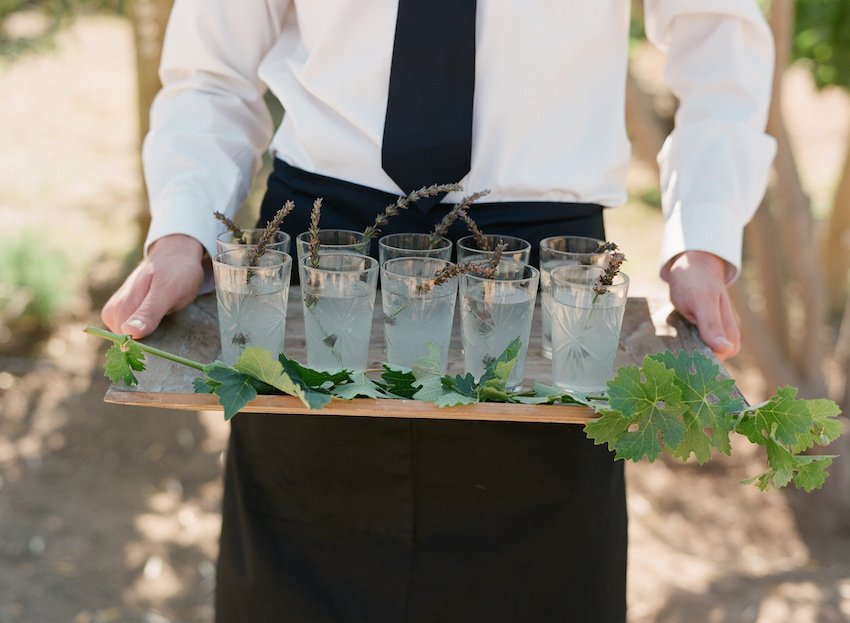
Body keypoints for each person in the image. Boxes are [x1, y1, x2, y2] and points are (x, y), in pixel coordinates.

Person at [102, 1, 776, 621]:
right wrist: (183, 229)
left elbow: (718, 32)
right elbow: (210, 70)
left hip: (547, 275)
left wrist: (706, 239)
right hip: (323, 263)